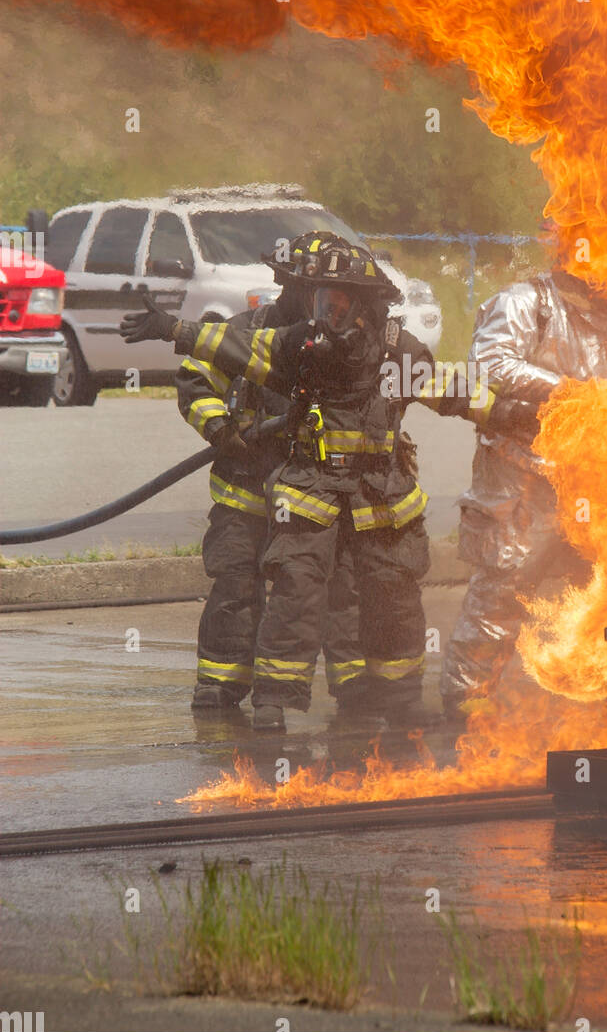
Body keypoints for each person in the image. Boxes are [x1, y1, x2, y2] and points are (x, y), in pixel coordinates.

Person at [121, 231, 535, 730]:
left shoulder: (393, 351)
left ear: (365, 303)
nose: (326, 311)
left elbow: (448, 387)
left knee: (385, 596)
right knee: (283, 593)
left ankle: (388, 694)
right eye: (318, 295)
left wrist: (511, 412)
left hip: (377, 499)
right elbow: (220, 350)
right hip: (281, 489)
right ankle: (254, 694)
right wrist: (180, 344)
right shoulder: (287, 342)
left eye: (338, 300)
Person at [440, 267, 607, 721]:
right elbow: (490, 363)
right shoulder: (528, 302)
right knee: (504, 586)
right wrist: (571, 393)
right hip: (521, 475)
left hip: (597, 475)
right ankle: (469, 698)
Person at [176, 266, 364, 715]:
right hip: (245, 489)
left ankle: (352, 688)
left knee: (322, 588)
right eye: (319, 291)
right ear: (297, 287)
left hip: (311, 495)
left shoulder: (344, 341)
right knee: (236, 582)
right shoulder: (247, 331)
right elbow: (196, 378)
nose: (330, 304)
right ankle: (220, 683)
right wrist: (220, 428)